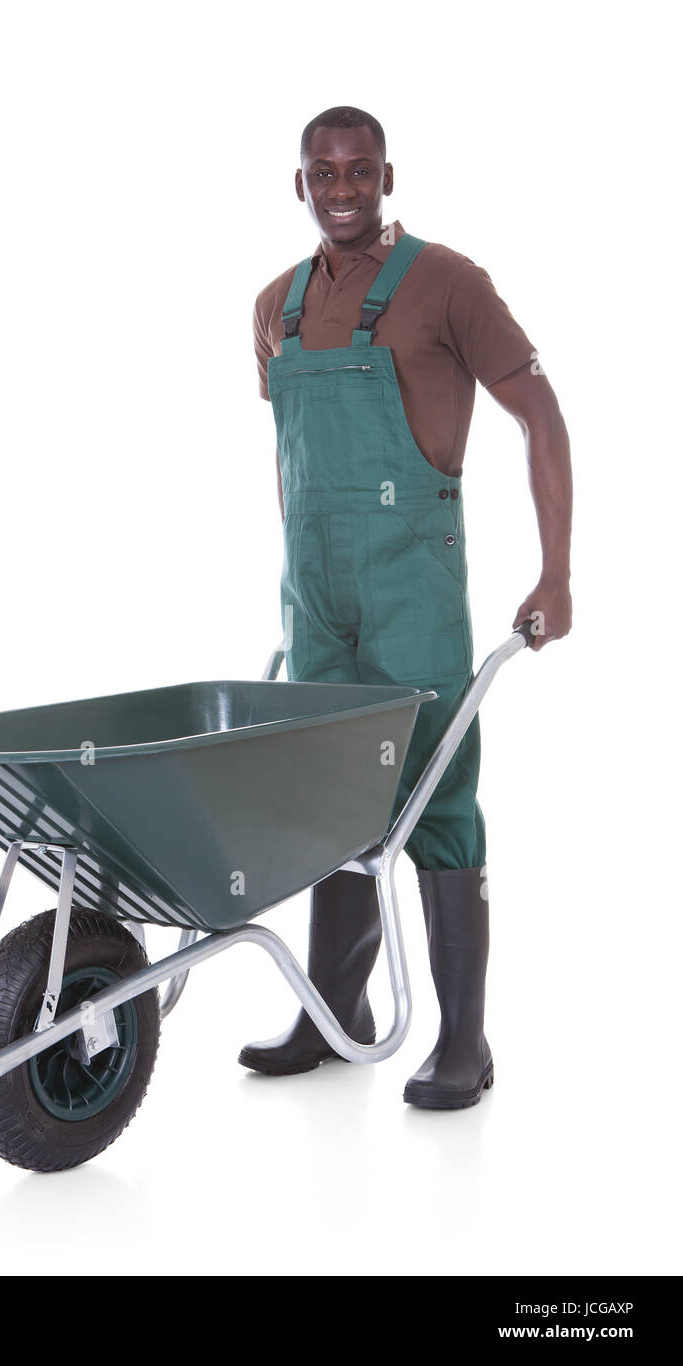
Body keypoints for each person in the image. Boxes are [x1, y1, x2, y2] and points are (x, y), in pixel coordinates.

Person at [239, 106, 572, 1109]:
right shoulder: (272, 305)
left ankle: (463, 1039)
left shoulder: (447, 283)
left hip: (409, 578)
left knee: (433, 788)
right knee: (331, 793)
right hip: (315, 588)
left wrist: (555, 571)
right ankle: (334, 1013)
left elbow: (540, 413)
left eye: (359, 172)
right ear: (298, 183)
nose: (341, 190)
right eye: (322, 172)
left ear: (387, 175)